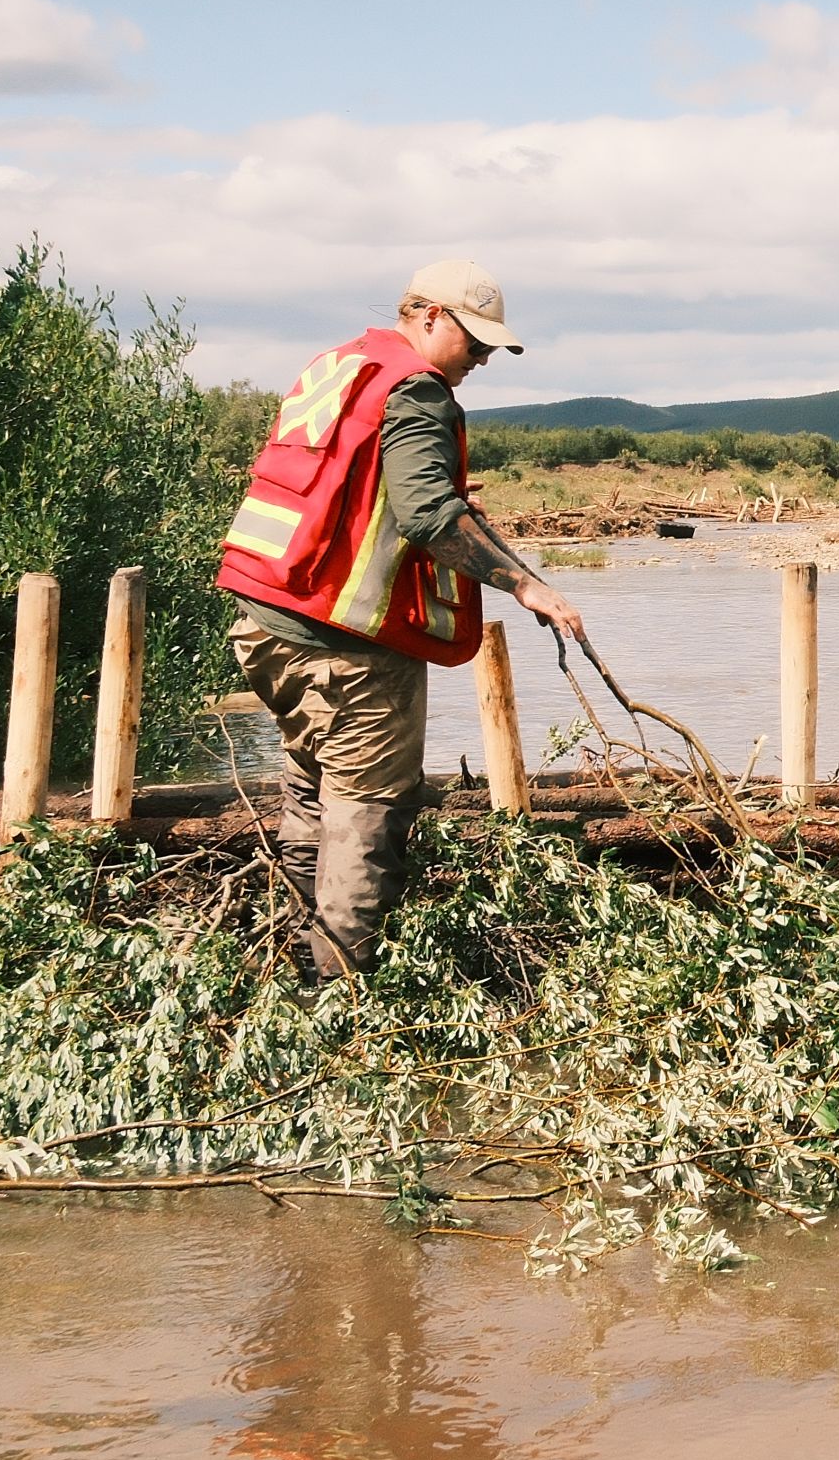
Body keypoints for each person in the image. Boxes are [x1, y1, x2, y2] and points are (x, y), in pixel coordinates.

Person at [219, 261, 589, 978]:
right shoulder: (417, 389)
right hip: (343, 648)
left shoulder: (342, 367)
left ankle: (288, 967)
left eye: (490, 348)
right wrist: (524, 582)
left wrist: (436, 495)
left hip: (264, 621)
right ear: (425, 315)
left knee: (310, 788)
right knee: (370, 813)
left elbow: (345, 480)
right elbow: (426, 514)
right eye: (473, 341)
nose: (481, 359)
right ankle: (340, 1000)